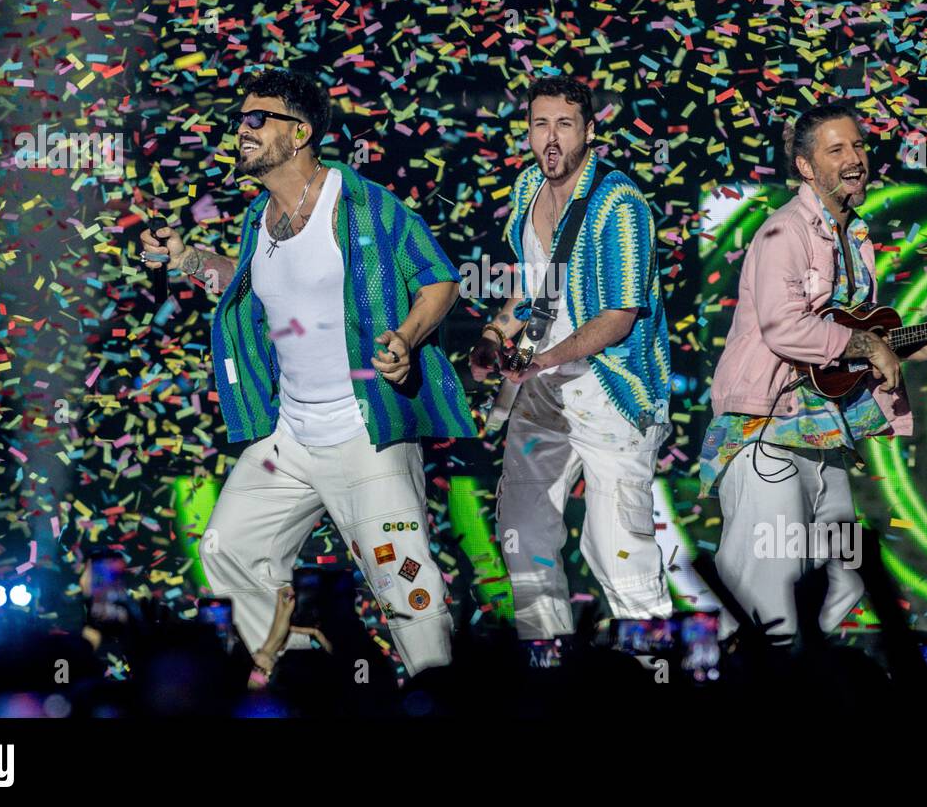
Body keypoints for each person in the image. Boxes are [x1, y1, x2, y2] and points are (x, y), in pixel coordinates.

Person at [140, 68, 475, 677]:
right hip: (289, 436)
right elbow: (251, 283)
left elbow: (440, 278)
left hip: (364, 434)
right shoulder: (256, 221)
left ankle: (436, 700)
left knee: (408, 588)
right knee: (227, 550)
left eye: (254, 119)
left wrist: (405, 337)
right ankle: (300, 673)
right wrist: (187, 258)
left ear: (299, 133)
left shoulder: (366, 204)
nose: (239, 131)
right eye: (239, 119)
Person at [701, 101, 927, 639]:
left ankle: (804, 674)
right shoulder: (784, 232)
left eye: (859, 145)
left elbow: (849, 335)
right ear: (806, 167)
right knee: (767, 582)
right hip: (768, 432)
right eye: (837, 149)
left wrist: (918, 347)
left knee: (845, 577)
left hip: (822, 434)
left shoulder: (853, 238)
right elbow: (784, 328)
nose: (855, 158)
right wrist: (871, 346)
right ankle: (753, 681)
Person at [468, 76, 673, 641]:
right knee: (523, 533)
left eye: (564, 124)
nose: (550, 137)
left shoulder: (621, 204)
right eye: (540, 124)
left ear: (589, 131)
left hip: (610, 394)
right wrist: (494, 334)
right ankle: (545, 665)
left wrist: (543, 358)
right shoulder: (528, 185)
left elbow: (620, 316)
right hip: (542, 392)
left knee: (617, 550)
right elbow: (535, 286)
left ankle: (657, 672)